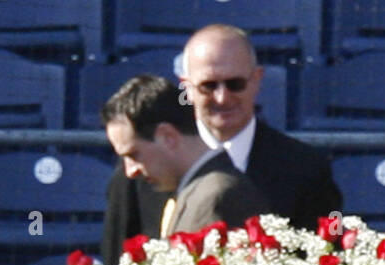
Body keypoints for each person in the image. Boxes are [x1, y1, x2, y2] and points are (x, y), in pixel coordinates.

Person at [100, 23, 343, 265]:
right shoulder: (137, 172)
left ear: (257, 80)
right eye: (208, 85)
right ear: (186, 88)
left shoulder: (306, 169)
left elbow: (329, 259)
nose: (222, 97)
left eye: (235, 84)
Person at [102, 75, 269, 237]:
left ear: (168, 136)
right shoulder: (203, 191)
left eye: (134, 155)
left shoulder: (217, 196)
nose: (130, 171)